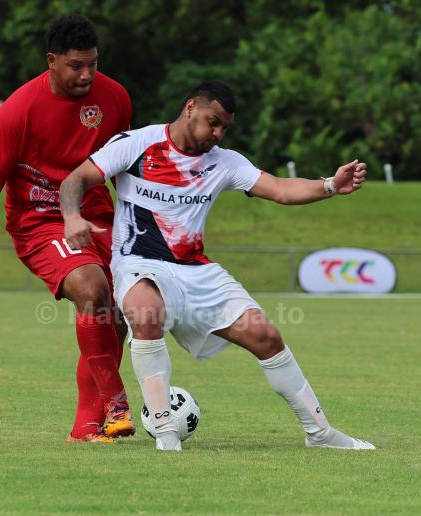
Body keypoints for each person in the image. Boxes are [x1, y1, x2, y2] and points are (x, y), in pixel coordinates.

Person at [59, 80, 375, 451]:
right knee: (146, 312)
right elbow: (76, 179)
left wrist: (329, 186)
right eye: (213, 121)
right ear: (190, 107)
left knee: (267, 337)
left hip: (196, 271)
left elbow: (278, 189)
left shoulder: (224, 162)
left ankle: (320, 432)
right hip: (138, 262)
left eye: (225, 127)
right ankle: (166, 433)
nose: (218, 133)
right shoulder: (137, 143)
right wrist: (70, 217)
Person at [0, 14, 134, 444]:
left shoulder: (115, 97)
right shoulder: (19, 109)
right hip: (40, 222)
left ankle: (86, 429)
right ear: (51, 61)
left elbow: (122, 168)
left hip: (101, 219)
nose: (87, 74)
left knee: (117, 319)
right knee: (90, 287)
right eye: (75, 65)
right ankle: (117, 401)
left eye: (93, 64)